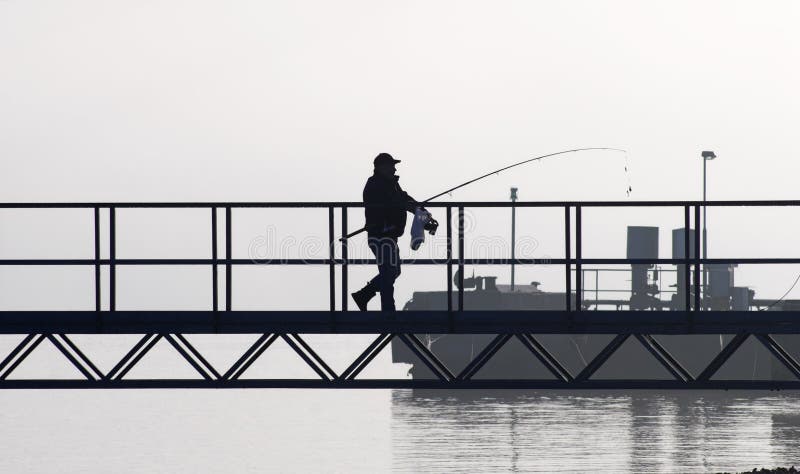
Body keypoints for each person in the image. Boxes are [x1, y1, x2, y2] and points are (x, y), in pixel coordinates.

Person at [351, 153, 420, 311]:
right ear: (381, 167)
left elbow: (403, 198)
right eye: (391, 166)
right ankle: (388, 310)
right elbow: (394, 201)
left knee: (394, 271)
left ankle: (364, 295)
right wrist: (409, 206)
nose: (394, 169)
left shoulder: (391, 184)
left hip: (390, 235)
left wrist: (419, 209)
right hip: (380, 235)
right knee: (389, 272)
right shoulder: (375, 184)